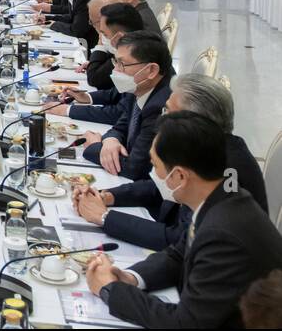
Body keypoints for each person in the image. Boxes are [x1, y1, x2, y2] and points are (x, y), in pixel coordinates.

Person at [86, 112, 282, 328]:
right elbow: (178, 255)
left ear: (179, 175)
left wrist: (111, 290)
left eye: (156, 166)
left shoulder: (223, 232)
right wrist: (130, 277)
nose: (154, 174)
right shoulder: (220, 197)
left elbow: (185, 323)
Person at [73, 74, 267, 252]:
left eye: (168, 111)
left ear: (195, 121)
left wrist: (104, 217)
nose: (161, 117)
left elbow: (179, 239)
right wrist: (106, 196)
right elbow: (162, 184)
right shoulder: (202, 144)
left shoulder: (226, 167)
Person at [50, 31, 173, 179]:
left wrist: (95, 146)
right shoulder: (139, 86)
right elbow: (122, 123)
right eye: (116, 62)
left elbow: (136, 168)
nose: (116, 70)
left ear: (151, 70)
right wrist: (110, 139)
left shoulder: (161, 107)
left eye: (122, 64)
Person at [85, 1, 145, 91]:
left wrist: (100, 44)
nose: (101, 37)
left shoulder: (135, 59)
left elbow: (94, 78)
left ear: (119, 37)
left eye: (104, 34)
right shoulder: (131, 45)